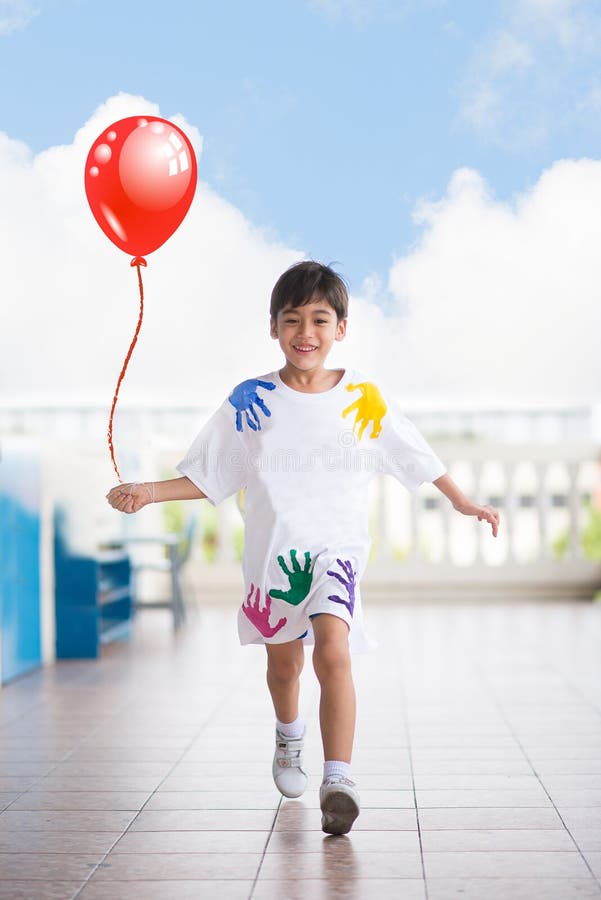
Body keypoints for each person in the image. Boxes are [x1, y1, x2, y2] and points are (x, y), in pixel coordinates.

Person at [106, 260, 500, 835]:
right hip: (276, 554)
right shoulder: (251, 401)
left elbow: (415, 454)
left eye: (319, 319)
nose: (305, 333)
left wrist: (462, 501)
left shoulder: (363, 398)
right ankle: (289, 737)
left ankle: (338, 777)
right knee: (285, 665)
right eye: (292, 320)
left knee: (333, 651)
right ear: (273, 328)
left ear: (341, 327)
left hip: (336, 551)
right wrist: (148, 492)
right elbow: (215, 474)